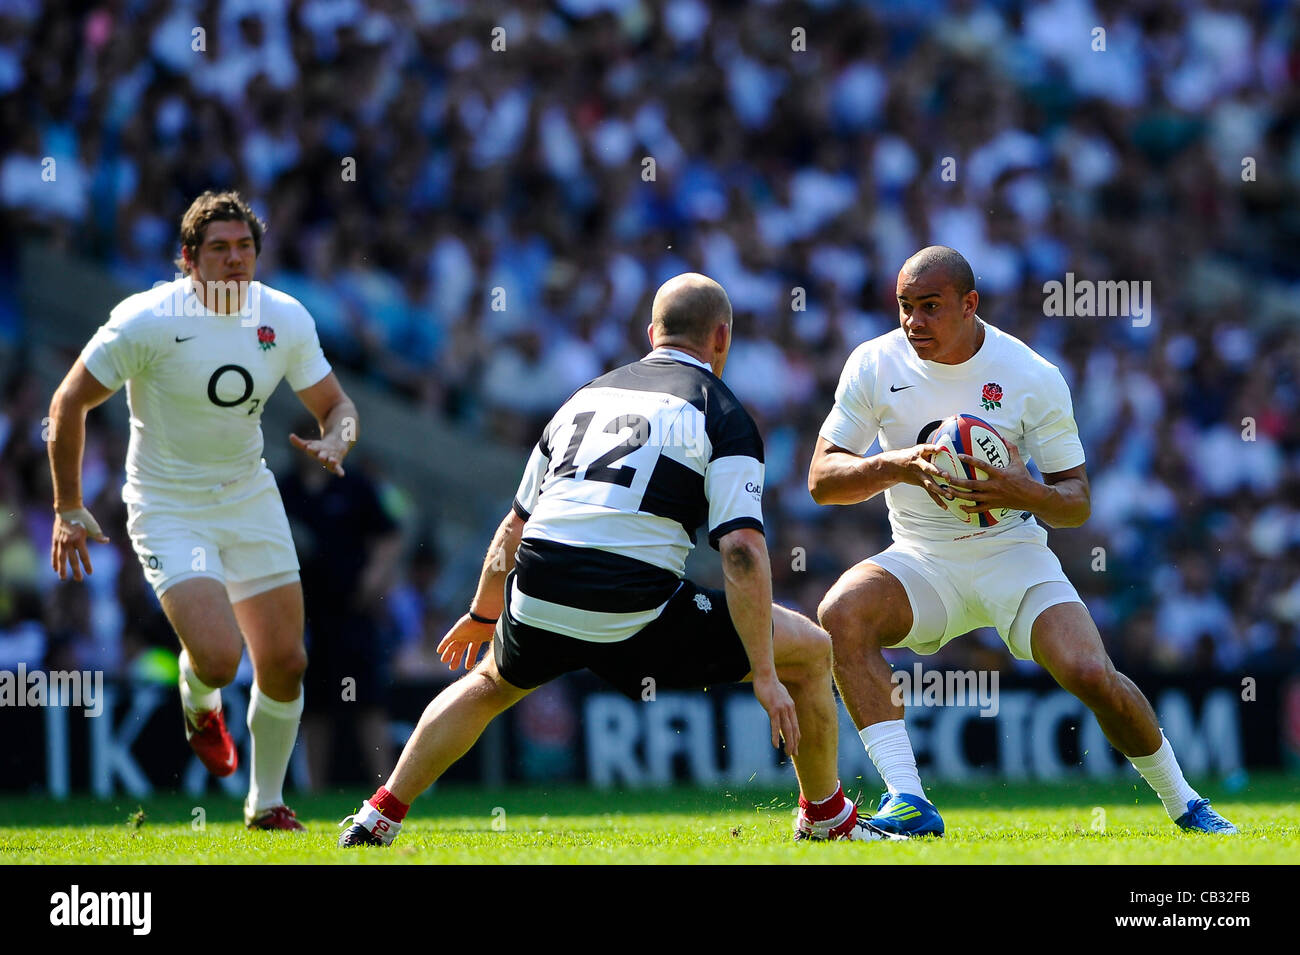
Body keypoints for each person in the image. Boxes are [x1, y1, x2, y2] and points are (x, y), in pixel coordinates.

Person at [339, 273, 904, 846]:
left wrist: (486, 614)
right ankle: (827, 819)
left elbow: (515, 526)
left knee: (490, 684)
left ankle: (378, 815)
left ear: (651, 332)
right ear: (722, 338)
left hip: (541, 584)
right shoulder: (721, 411)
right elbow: (739, 550)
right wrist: (763, 671)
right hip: (633, 605)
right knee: (809, 653)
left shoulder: (584, 396)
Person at [808, 246, 1237, 836]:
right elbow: (821, 481)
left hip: (1013, 555)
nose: (914, 322)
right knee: (840, 614)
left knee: (1091, 675)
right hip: (921, 559)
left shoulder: (1031, 374)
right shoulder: (874, 363)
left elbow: (1076, 502)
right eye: (905, 307)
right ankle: (909, 800)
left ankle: (1186, 802)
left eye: (930, 308)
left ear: (969, 304)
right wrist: (897, 464)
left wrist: (1020, 491)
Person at [48, 190, 359, 830]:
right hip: (168, 506)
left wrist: (337, 439)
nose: (234, 260)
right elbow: (68, 403)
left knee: (287, 662)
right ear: (188, 259)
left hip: (248, 494)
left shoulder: (285, 317)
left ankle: (265, 804)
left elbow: (339, 406)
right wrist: (67, 505)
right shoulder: (148, 319)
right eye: (218, 249)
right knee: (220, 659)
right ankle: (200, 703)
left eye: (244, 247)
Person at [279, 430, 403, 789]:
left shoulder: (354, 484)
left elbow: (388, 535)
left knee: (368, 701)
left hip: (353, 611)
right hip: (306, 615)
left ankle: (388, 786)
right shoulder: (284, 490)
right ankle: (315, 788)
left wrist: (374, 576)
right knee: (315, 706)